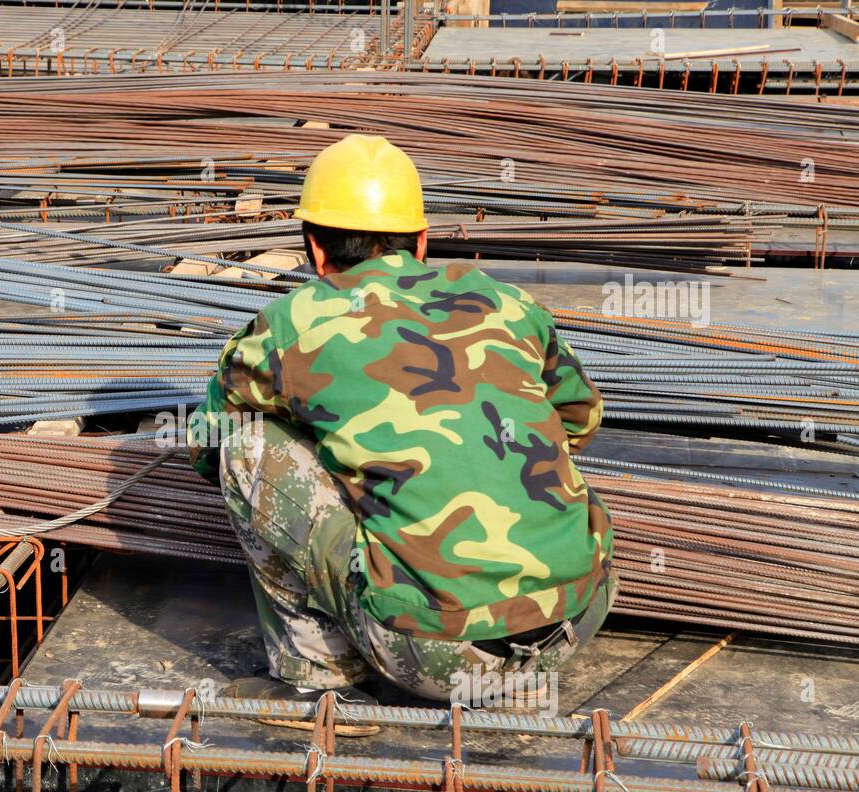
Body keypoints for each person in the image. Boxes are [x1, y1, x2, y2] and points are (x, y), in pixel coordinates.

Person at [187, 133, 616, 710]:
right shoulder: (506, 301)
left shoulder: (291, 324)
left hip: (429, 655)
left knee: (248, 447)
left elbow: (208, 442)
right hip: (576, 621)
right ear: (420, 241)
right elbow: (581, 421)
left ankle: (317, 682)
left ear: (314, 250)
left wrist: (338, 441)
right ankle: (516, 671)